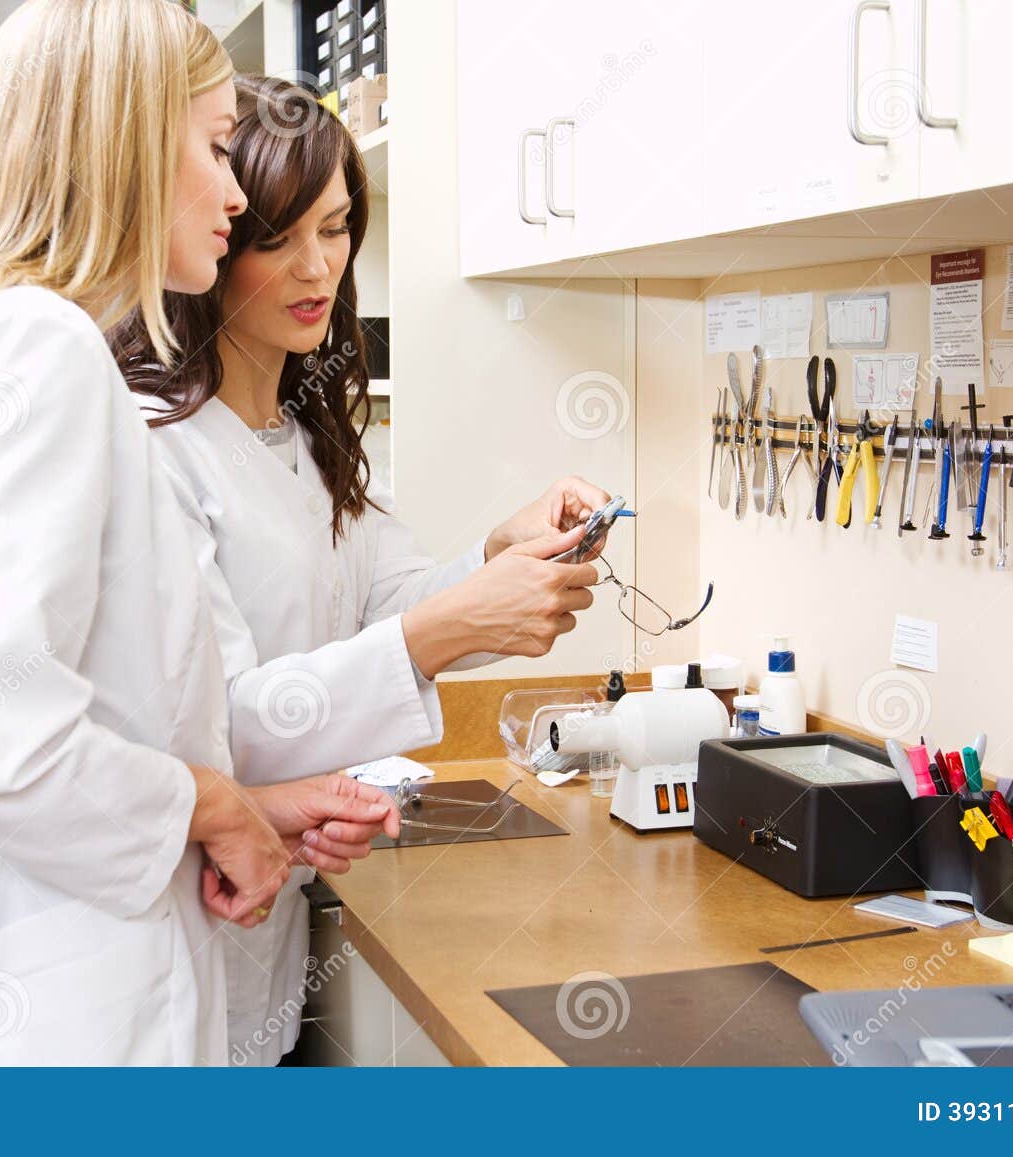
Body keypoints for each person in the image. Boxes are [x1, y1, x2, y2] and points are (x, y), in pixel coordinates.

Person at [0, 2, 396, 1067]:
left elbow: (72, 707)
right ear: (120, 145)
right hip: (25, 1023)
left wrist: (240, 807)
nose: (237, 190)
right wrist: (208, 800)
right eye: (215, 148)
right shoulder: (39, 347)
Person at [113, 76, 606, 1066]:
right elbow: (219, 727)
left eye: (336, 229)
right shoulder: (153, 444)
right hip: (165, 948)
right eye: (276, 236)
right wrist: (456, 624)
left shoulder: (299, 435)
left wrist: (497, 560)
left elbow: (378, 600)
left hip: (268, 926)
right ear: (206, 241)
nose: (315, 267)